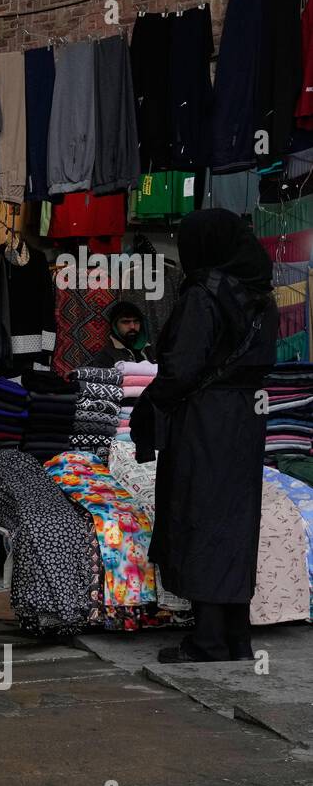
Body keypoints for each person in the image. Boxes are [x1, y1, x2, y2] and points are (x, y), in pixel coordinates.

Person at [131, 209, 278, 664]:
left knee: (201, 515)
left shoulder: (205, 292)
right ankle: (236, 636)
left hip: (206, 417)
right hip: (246, 418)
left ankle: (208, 640)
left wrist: (152, 405)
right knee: (235, 521)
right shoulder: (259, 293)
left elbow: (181, 366)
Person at [87, 300, 155, 368]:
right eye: (126, 322)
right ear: (115, 326)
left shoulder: (150, 351)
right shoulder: (106, 356)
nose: (132, 326)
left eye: (136, 321)